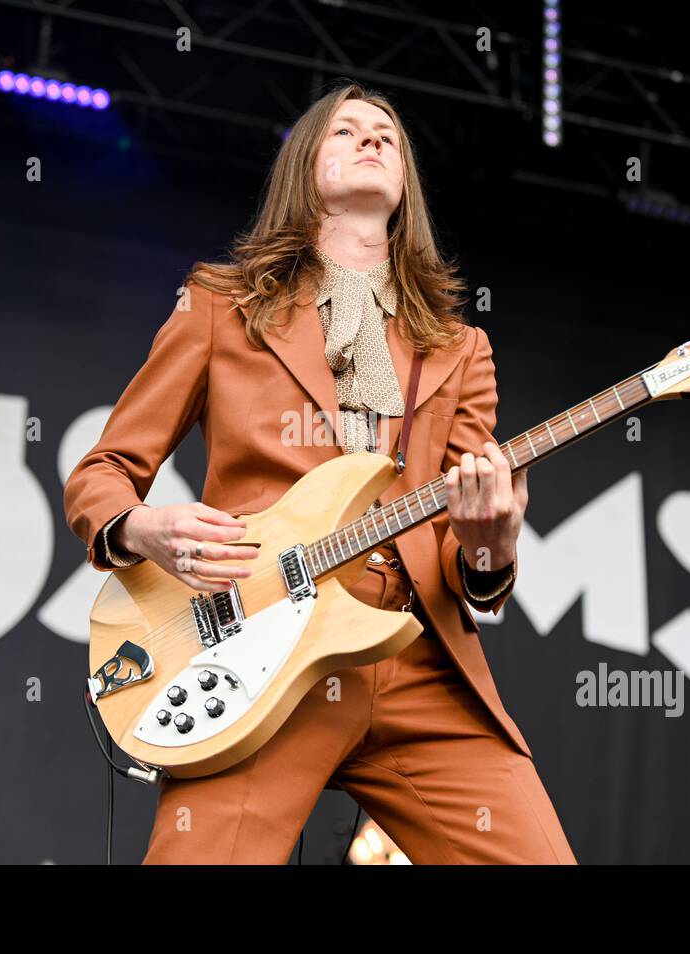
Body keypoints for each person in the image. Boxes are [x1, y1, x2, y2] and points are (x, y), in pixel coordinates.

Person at [65, 81, 576, 865]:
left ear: (404, 187)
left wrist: (490, 545)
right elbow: (106, 468)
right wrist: (142, 526)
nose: (373, 139)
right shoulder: (218, 305)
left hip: (416, 660)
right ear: (305, 167)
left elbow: (462, 551)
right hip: (259, 644)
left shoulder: (460, 349)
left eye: (389, 136)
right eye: (346, 131)